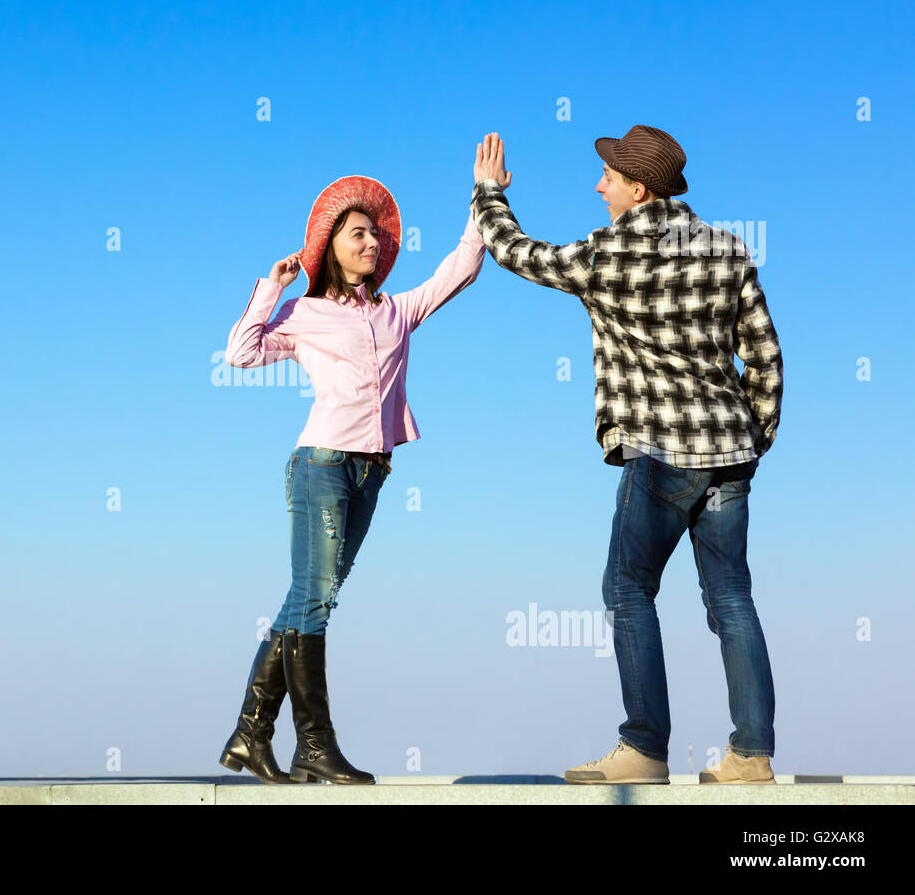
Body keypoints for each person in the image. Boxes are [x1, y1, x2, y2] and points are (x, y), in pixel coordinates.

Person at [470, 126, 784, 785]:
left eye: (607, 176)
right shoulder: (726, 248)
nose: (598, 185)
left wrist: (489, 193)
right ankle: (751, 755)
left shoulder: (611, 253)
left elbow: (521, 255)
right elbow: (764, 353)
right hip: (728, 450)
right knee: (731, 598)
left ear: (637, 189)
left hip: (662, 450)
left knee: (626, 589)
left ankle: (644, 747)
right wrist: (755, 439)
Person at [218, 140, 497, 784]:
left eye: (375, 234)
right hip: (320, 465)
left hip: (371, 473)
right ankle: (315, 745)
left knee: (309, 599)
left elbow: (459, 269)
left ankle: (249, 733)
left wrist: (485, 197)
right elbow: (240, 352)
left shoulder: (397, 312)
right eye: (358, 233)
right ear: (332, 246)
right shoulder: (306, 313)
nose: (371, 243)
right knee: (313, 600)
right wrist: (272, 286)